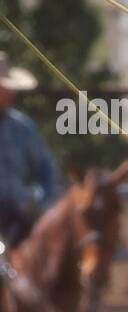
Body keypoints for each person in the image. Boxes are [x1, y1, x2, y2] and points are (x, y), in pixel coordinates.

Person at [0, 58, 60, 251]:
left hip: (20, 216)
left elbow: (46, 168)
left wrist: (44, 203)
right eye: (5, 88)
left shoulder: (23, 127)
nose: (11, 92)